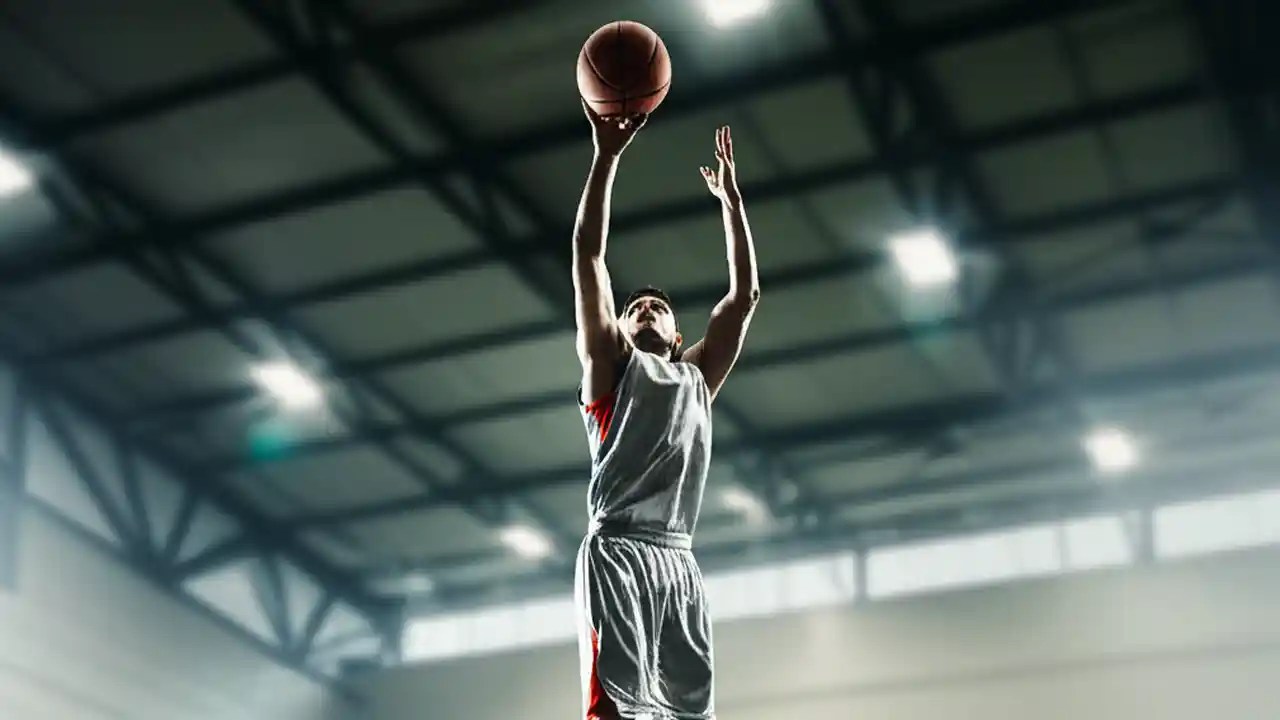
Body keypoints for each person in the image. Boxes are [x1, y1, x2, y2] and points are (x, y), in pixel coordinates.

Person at [571, 98, 760, 720]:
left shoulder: (696, 377)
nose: (645, 309)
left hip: (680, 557)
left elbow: (744, 296)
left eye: (658, 307)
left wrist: (732, 204)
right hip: (619, 549)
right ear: (621, 329)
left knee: (691, 716)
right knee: (621, 711)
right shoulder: (610, 366)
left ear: (679, 336)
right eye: (635, 308)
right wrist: (606, 157)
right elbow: (588, 254)